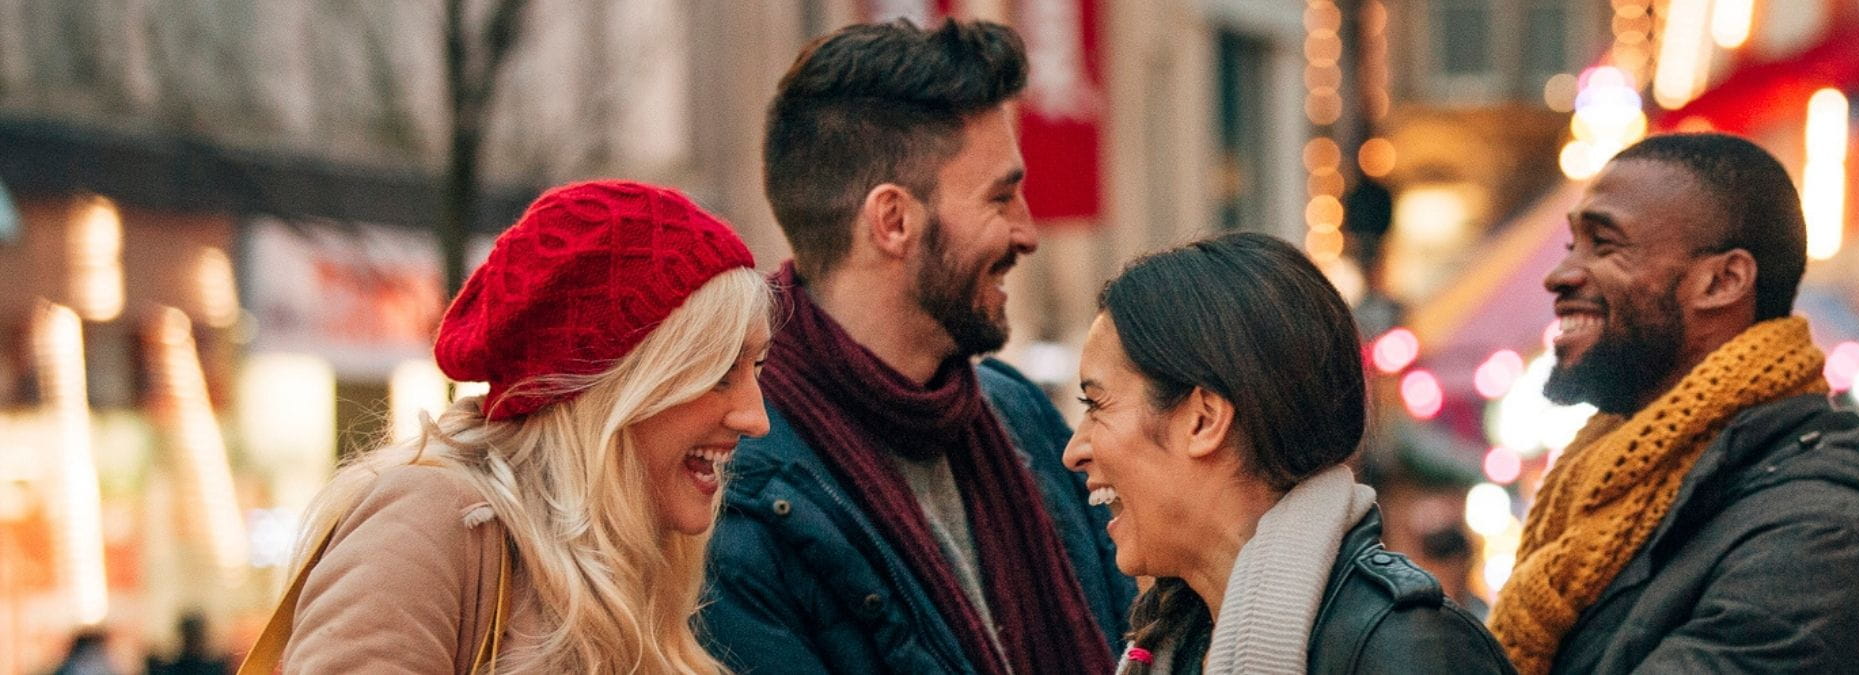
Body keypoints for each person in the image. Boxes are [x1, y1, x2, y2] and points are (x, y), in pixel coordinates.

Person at [697, 17, 1130, 675]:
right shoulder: (736, 504)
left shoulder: (1021, 416)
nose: (1027, 232)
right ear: (894, 220)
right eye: (1001, 196)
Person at [1485, 133, 1859, 673]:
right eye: (1571, 246)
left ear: (1723, 281)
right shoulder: (1617, 506)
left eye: (1605, 244)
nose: (1560, 275)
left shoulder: (1824, 541)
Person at [264, 180, 770, 672]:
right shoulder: (433, 518)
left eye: (757, 368)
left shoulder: (634, 562)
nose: (757, 419)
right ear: (609, 383)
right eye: (720, 372)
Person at [1062, 232, 1509, 674]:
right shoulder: (1175, 643)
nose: (1073, 452)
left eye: (1096, 405)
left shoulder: (1411, 650)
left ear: (1203, 419)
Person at [147, 611, 232, 675]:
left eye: (196, 637)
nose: (194, 642)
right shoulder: (213, 668)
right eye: (191, 637)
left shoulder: (214, 668)